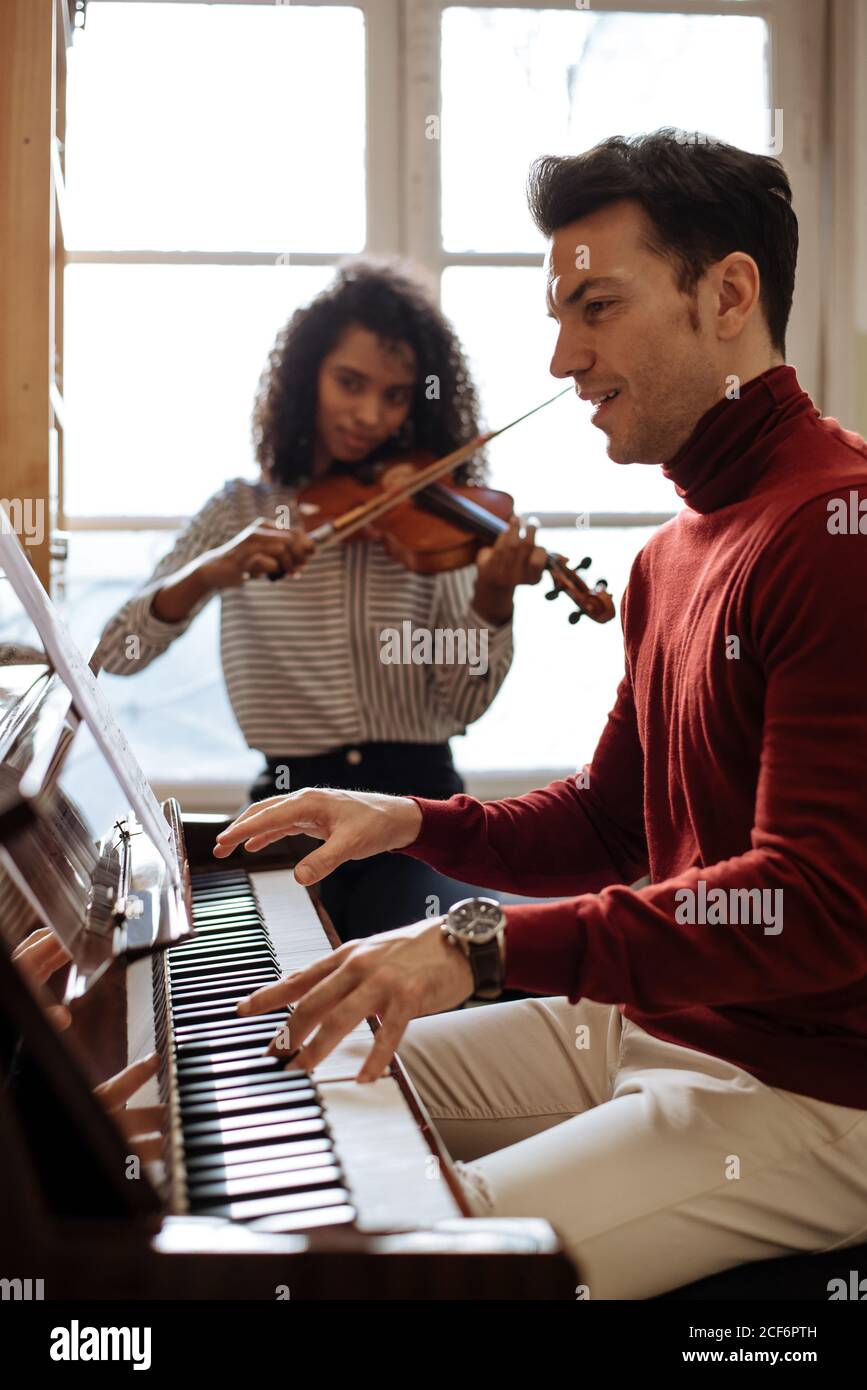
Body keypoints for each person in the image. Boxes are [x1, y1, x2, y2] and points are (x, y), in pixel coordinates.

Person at [212, 130, 867, 1299]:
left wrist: (483, 944)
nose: (564, 358)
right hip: (649, 1022)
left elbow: (812, 903)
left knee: (403, 1273)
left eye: (596, 306)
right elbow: (610, 824)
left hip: (809, 1089)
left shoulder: (834, 533)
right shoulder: (674, 553)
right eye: (558, 313)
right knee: (293, 1088)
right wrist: (406, 818)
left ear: (727, 294)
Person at [95, 260, 548, 940]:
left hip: (414, 810)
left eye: (395, 396)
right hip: (286, 810)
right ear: (307, 375)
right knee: (244, 985)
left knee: (462, 959)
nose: (369, 415)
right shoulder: (240, 511)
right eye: (350, 383)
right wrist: (209, 574)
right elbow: (116, 653)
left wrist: (490, 599)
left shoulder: (437, 517)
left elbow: (463, 704)